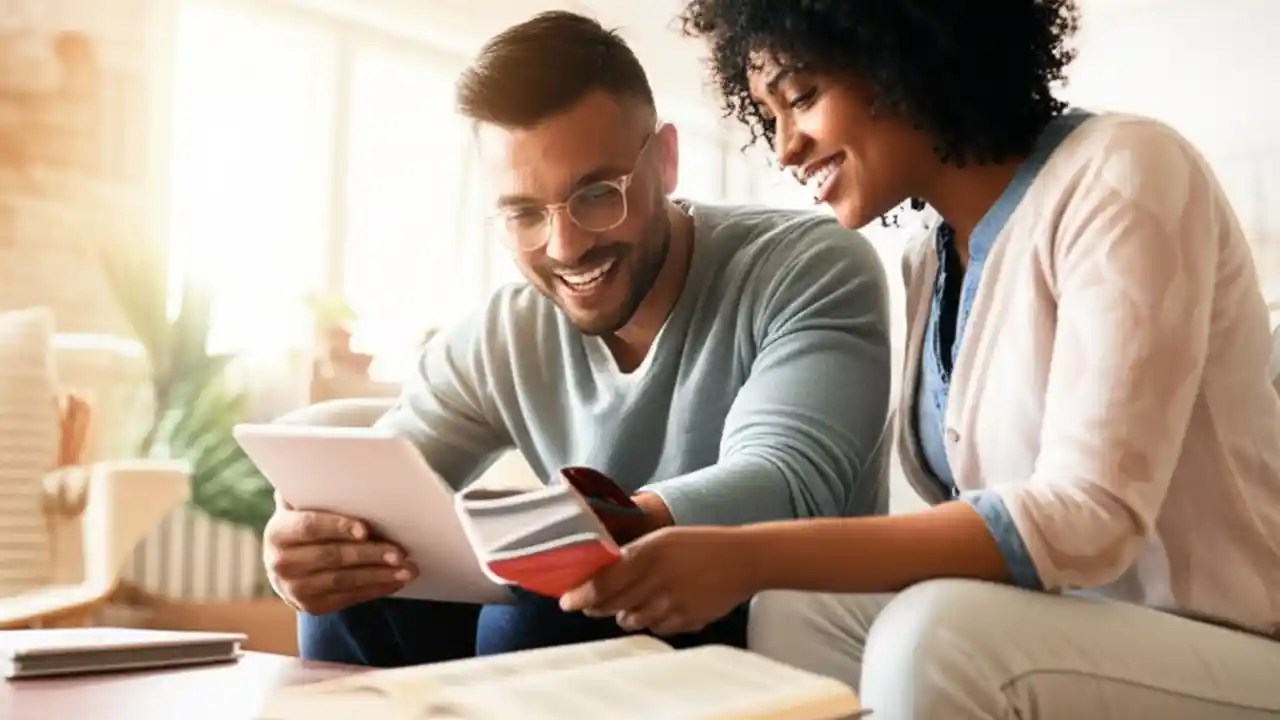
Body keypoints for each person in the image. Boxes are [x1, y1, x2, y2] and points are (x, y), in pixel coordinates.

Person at [560, 1, 1280, 717]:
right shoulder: (927, 262)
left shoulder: (1125, 171)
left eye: (802, 98)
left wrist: (748, 553)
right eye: (770, 116)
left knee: (933, 636)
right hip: (1069, 631)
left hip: (1226, 639)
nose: (784, 148)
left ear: (901, 52)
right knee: (799, 609)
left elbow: (1087, 519)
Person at [261, 10, 893, 667]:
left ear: (667, 159)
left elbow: (786, 483)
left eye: (598, 195)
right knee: (359, 593)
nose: (565, 247)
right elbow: (382, 490)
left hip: (766, 613)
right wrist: (315, 547)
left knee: (544, 612)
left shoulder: (807, 266)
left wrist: (589, 534)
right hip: (593, 628)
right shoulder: (502, 336)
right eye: (524, 214)